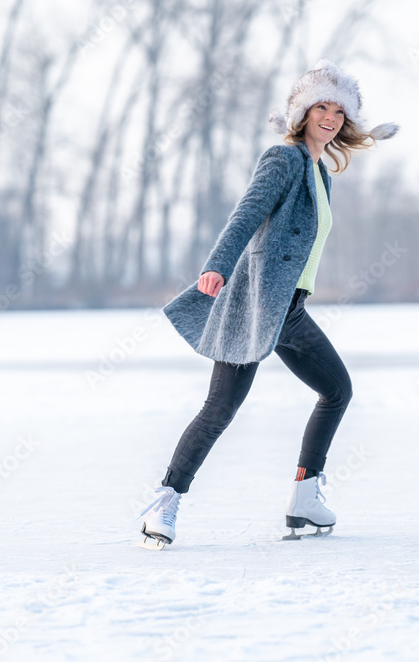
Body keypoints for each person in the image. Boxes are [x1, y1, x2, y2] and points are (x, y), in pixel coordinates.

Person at [139, 58, 397, 549]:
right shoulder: (284, 160)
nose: (330, 118)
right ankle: (164, 503)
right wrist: (216, 266)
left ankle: (304, 496)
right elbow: (246, 213)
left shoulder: (321, 175)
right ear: (302, 112)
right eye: (321, 106)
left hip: (291, 309)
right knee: (220, 408)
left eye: (339, 111)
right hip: (256, 303)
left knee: (336, 390)